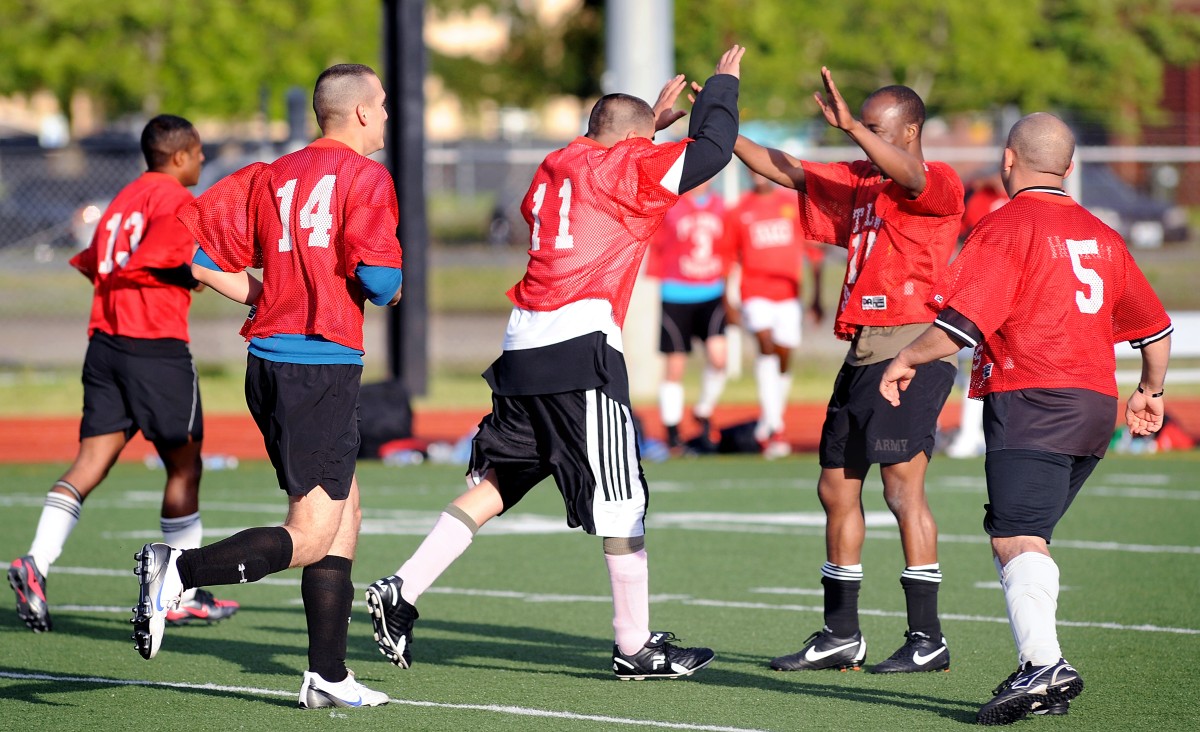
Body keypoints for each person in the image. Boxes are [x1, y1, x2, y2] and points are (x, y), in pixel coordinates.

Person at [365, 45, 745, 681]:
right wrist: (722, 88)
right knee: (624, 502)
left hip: (522, 345)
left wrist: (647, 128)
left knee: (500, 483)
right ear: (634, 141)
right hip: (579, 347)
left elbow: (606, 155)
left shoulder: (556, 163)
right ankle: (634, 647)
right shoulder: (627, 166)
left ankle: (402, 589)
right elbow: (713, 151)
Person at [880, 112, 1172, 725]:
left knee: (1017, 537)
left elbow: (962, 325)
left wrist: (905, 357)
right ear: (1070, 168)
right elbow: (1155, 326)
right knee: (1025, 536)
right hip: (1094, 406)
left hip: (1034, 398)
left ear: (1008, 160)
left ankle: (1044, 664)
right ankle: (1041, 665)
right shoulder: (1101, 231)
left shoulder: (1007, 224)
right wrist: (1150, 390)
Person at [130, 63, 404, 710]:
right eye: (383, 104)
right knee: (311, 533)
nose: (388, 115)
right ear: (362, 112)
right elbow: (381, 282)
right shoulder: (367, 177)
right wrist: (386, 286)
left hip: (274, 364)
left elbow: (199, 257)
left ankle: (327, 674)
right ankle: (178, 570)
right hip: (318, 368)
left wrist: (270, 294)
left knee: (344, 514)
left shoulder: (271, 174)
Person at [734, 67, 964, 673]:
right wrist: (719, 125)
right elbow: (785, 168)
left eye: (876, 128)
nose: (862, 135)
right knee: (836, 486)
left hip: (911, 347)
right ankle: (841, 634)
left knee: (902, 489)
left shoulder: (938, 179)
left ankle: (927, 637)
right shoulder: (862, 179)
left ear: (910, 130)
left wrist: (855, 130)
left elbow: (912, 176)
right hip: (863, 348)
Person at [6, 115, 239, 634]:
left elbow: (97, 261)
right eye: (199, 151)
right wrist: (205, 275)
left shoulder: (123, 199)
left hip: (105, 344)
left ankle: (36, 561)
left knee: (90, 461)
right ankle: (179, 592)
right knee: (184, 466)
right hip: (153, 346)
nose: (203, 159)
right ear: (178, 156)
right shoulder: (175, 199)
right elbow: (164, 259)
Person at [722, 170, 825, 458]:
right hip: (754, 293)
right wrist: (727, 301)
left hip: (788, 295)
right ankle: (776, 427)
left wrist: (816, 298)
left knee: (783, 355)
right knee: (765, 345)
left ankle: (767, 423)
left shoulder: (791, 206)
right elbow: (727, 259)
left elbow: (814, 254)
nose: (756, 175)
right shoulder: (739, 210)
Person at [648, 179, 731, 450]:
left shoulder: (720, 206)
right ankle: (672, 429)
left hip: (711, 292)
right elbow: (656, 243)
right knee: (675, 366)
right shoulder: (671, 206)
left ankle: (703, 410)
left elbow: (729, 246)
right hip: (677, 293)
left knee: (719, 358)